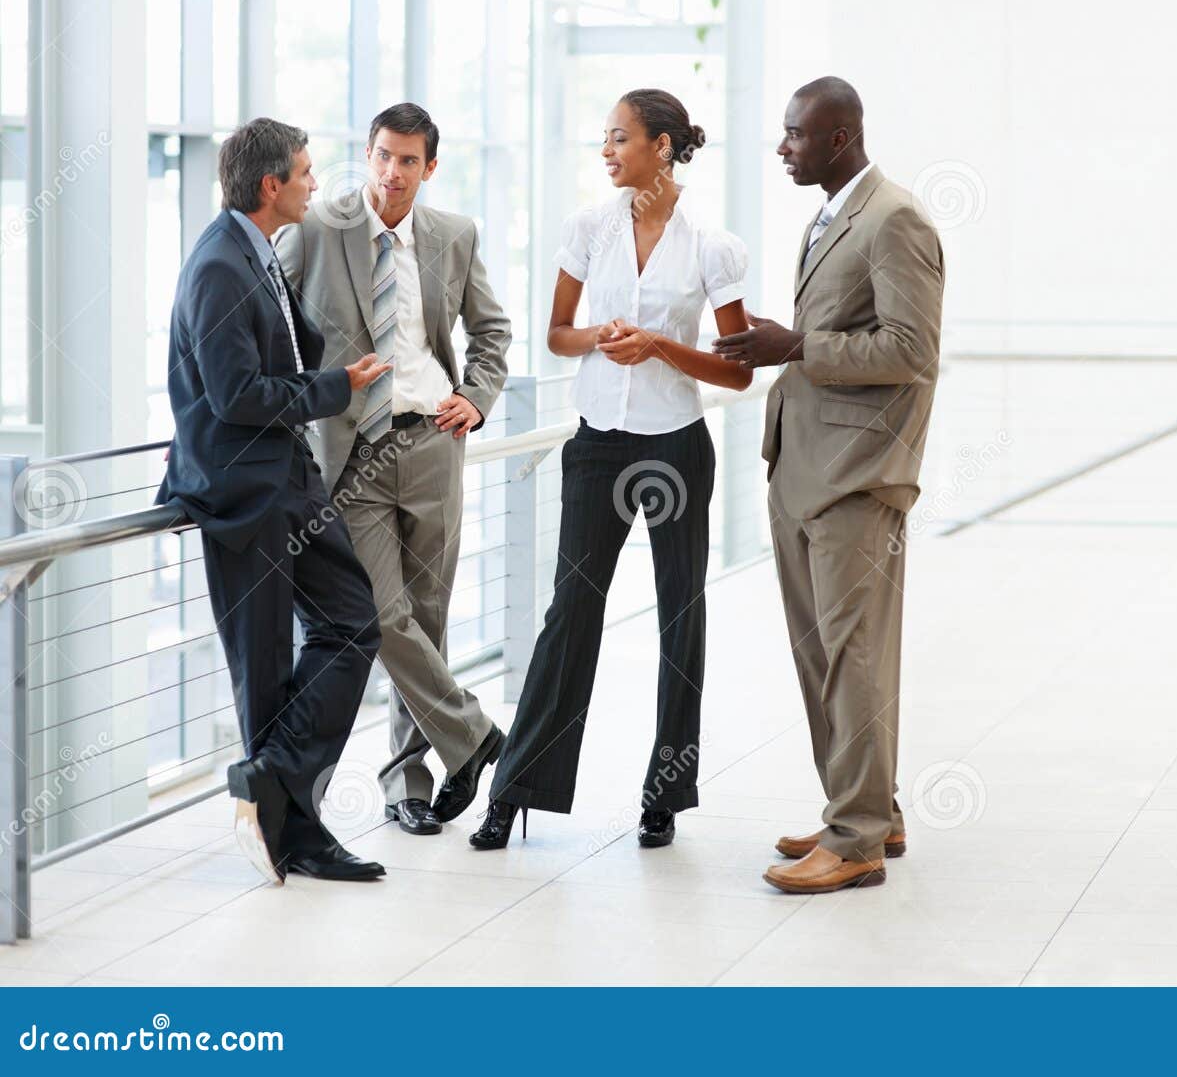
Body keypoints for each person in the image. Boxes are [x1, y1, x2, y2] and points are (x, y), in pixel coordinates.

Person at [469, 89, 751, 851]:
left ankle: (665, 793)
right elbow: (559, 335)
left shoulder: (711, 245)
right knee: (571, 614)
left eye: (619, 137)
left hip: (676, 446)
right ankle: (515, 788)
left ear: (661, 147)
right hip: (598, 444)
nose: (606, 150)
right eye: (604, 138)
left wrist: (660, 346)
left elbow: (736, 372)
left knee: (679, 615)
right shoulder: (588, 229)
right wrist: (602, 334)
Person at [714, 76, 945, 894]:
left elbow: (911, 350)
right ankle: (868, 806)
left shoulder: (896, 219)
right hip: (804, 466)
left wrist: (797, 346)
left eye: (796, 135)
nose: (783, 147)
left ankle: (856, 842)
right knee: (823, 652)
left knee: (854, 655)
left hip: (857, 475)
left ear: (840, 136)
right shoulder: (833, 214)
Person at [157, 117, 392, 885]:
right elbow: (234, 396)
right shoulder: (220, 265)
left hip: (287, 476)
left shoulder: (255, 250)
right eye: (305, 171)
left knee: (354, 620)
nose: (315, 183)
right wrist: (338, 388)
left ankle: (273, 777)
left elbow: (278, 355)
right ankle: (296, 832)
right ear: (271, 186)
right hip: (244, 489)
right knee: (263, 667)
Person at [276, 102, 513, 836]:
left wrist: (475, 396)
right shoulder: (321, 228)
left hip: (434, 442)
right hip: (353, 450)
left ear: (429, 166)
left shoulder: (453, 235)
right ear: (368, 153)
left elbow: (491, 329)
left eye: (408, 160)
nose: (391, 172)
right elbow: (265, 309)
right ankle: (473, 734)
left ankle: (411, 781)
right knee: (382, 614)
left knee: (429, 618)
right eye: (382, 155)